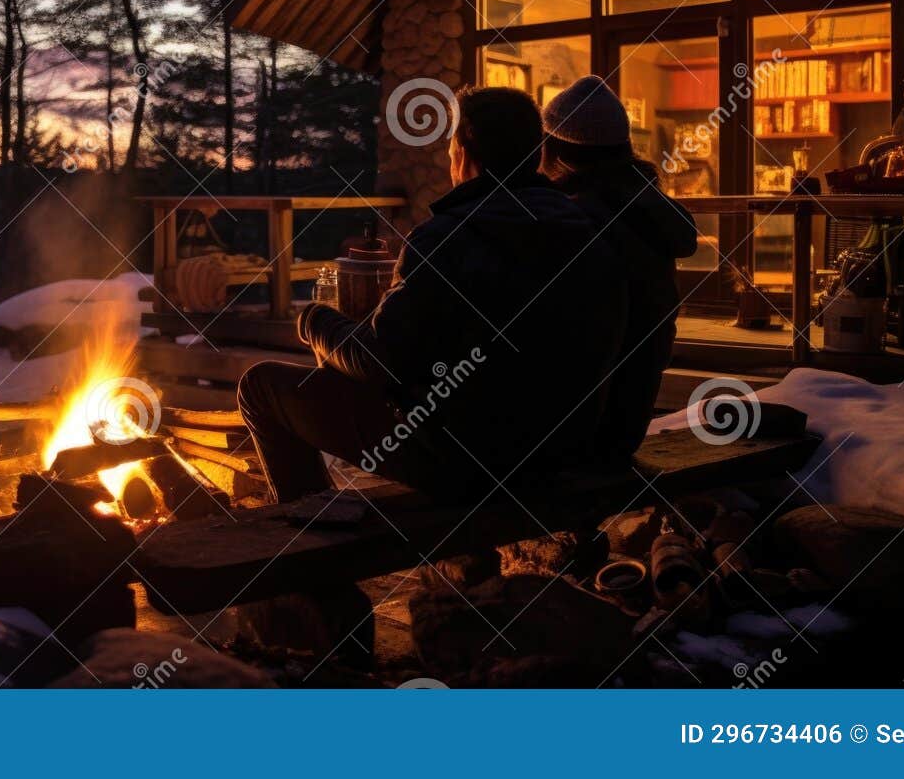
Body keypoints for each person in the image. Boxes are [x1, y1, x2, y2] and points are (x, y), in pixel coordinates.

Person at [237, 87, 630, 505]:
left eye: (449, 147)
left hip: (466, 462)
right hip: (559, 452)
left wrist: (315, 321)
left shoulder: (447, 237)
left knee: (260, 385)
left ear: (462, 153)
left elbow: (381, 362)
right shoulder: (590, 235)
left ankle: (310, 538)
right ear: (535, 155)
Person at [540, 76, 699, 465]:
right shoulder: (646, 209)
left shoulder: (574, 220)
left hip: (578, 434)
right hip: (627, 425)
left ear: (556, 148)